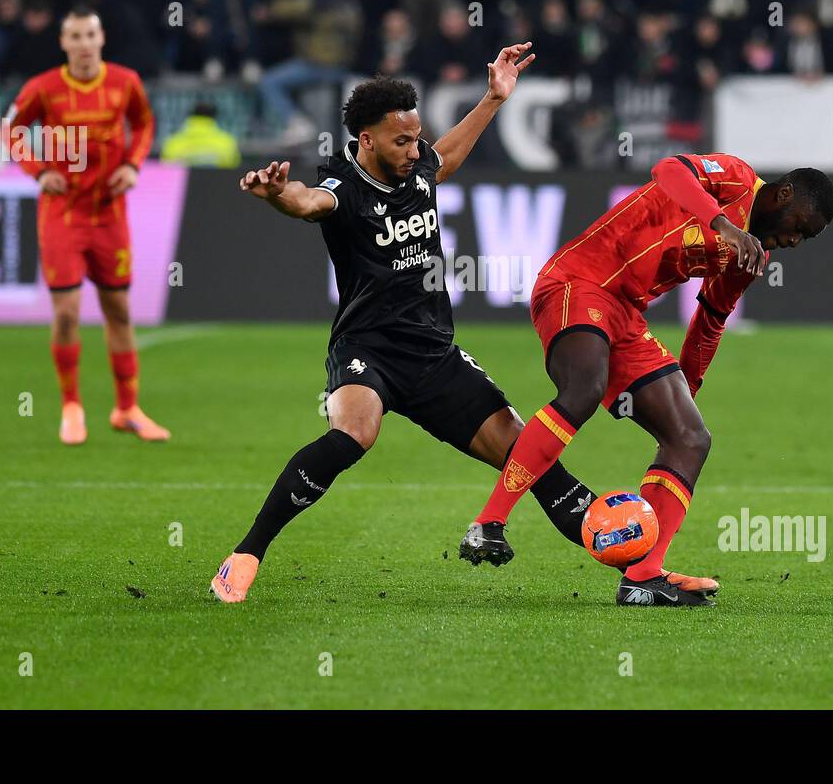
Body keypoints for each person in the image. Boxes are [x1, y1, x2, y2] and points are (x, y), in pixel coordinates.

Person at [210, 45, 609, 604]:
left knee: (527, 455)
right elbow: (306, 202)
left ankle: (635, 564)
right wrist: (279, 195)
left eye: (416, 137)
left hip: (434, 356)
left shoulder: (418, 164)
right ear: (366, 140)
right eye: (401, 140)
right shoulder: (344, 190)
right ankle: (246, 553)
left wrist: (494, 98)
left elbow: (443, 156)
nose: (414, 149)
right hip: (367, 349)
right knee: (354, 434)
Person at [464, 153, 833, 606]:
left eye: (807, 238)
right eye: (801, 226)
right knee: (583, 389)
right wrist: (723, 225)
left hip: (626, 316)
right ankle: (490, 523)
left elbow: (711, 319)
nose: (796, 240)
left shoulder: (750, 254)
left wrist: (684, 394)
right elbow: (667, 170)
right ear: (784, 195)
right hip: (577, 282)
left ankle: (642, 576)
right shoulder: (736, 180)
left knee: (690, 437)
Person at [3, 5, 169, 445]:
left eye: (89, 35)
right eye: (74, 37)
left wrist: (134, 165)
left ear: (101, 39)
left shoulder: (124, 81)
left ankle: (127, 408)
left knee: (118, 310)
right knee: (67, 312)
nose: (82, 45)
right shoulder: (44, 88)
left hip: (110, 215)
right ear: (63, 43)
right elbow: (12, 129)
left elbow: (145, 122)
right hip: (63, 214)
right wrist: (38, 171)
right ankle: (71, 406)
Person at [160, 102, 241, 168]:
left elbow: (165, 169)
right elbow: (233, 168)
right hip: (217, 185)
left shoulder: (173, 142)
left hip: (183, 187)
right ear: (213, 117)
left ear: (191, 116)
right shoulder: (227, 141)